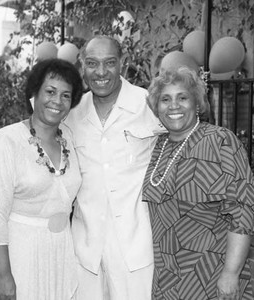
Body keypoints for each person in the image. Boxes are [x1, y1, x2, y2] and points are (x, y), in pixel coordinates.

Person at [64, 35, 164, 300]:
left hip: (135, 247)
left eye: (109, 63)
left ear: (123, 63)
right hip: (85, 249)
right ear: (82, 66)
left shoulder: (148, 105)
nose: (101, 72)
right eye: (92, 63)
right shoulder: (72, 113)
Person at [144, 67, 254, 299]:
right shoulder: (157, 147)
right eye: (165, 99)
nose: (173, 106)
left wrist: (231, 272)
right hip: (167, 275)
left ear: (197, 103)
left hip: (210, 272)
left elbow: (242, 211)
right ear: (157, 108)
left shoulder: (220, 141)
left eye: (182, 97)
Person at [0, 59, 84, 300]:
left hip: (61, 253)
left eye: (66, 95)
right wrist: (4, 275)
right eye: (50, 91)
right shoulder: (7, 141)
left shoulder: (69, 137)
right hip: (20, 256)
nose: (57, 101)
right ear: (34, 93)